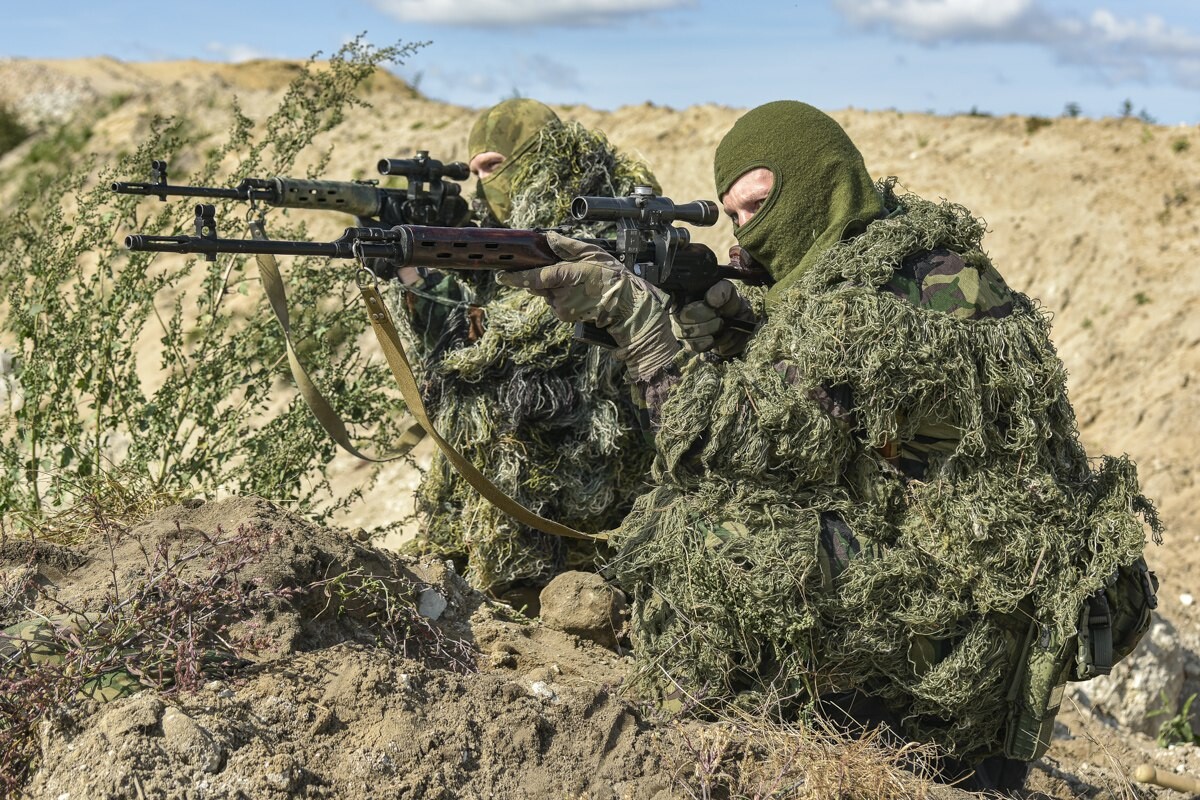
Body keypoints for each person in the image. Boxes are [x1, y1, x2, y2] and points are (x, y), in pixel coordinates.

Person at [496, 100, 1160, 791]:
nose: (746, 234)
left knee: (714, 535)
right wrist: (732, 336)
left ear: (822, 183)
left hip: (981, 613)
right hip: (942, 568)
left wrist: (641, 325)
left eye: (758, 206)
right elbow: (855, 426)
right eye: (733, 217)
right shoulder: (878, 263)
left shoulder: (919, 286)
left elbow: (760, 445)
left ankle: (841, 731)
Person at [388, 98, 660, 597]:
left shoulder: (603, 231)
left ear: (543, 156)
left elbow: (515, 360)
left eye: (493, 166)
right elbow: (462, 333)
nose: (484, 183)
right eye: (474, 172)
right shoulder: (498, 244)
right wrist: (407, 267)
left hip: (594, 483)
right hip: (525, 491)